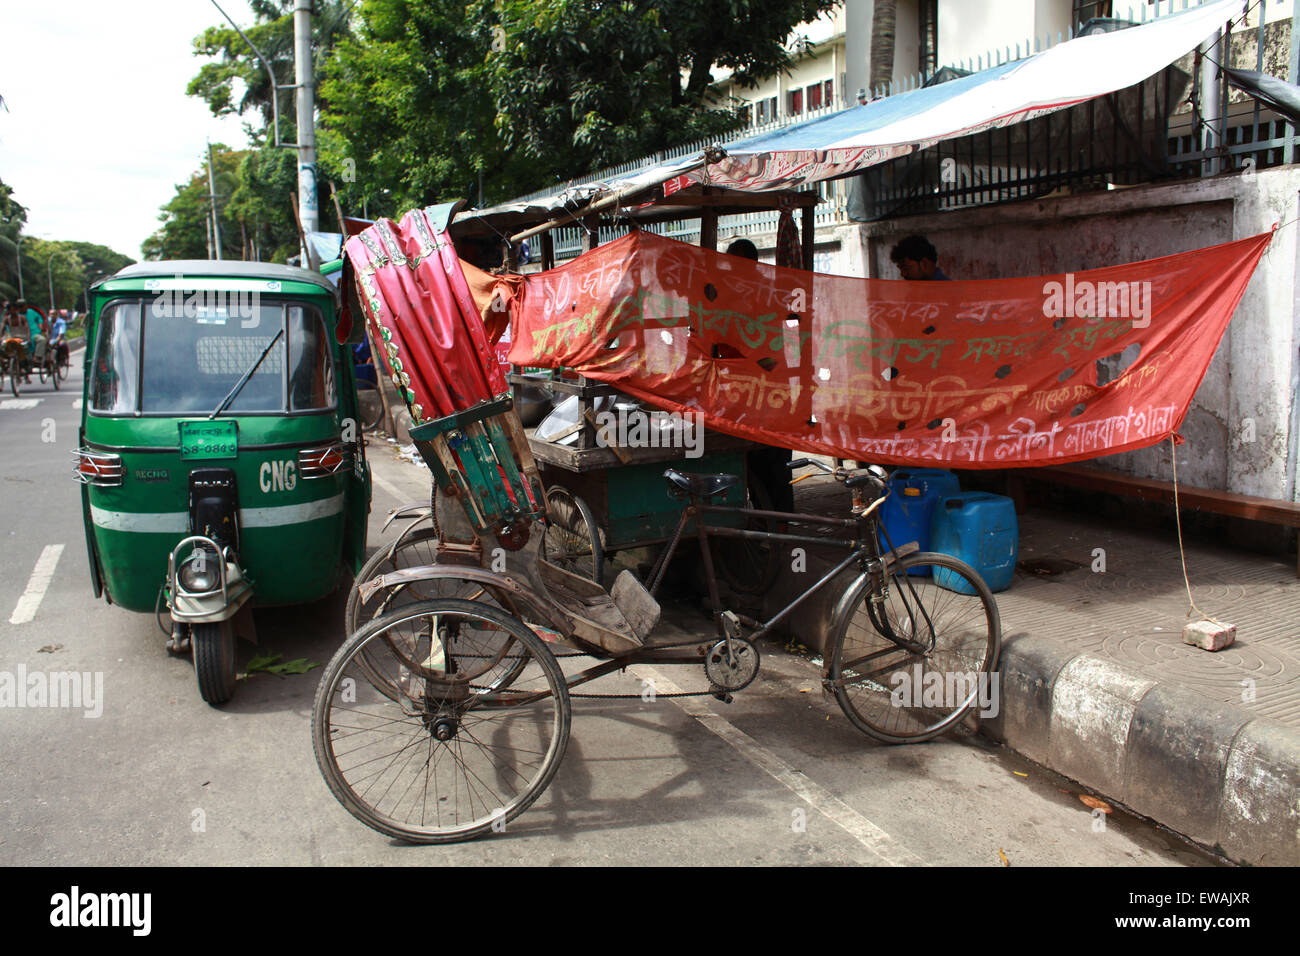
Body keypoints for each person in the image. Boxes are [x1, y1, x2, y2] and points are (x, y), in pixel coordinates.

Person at [723, 237, 796, 513]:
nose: (731, 269)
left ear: (750, 264)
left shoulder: (767, 292)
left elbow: (792, 321)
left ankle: (780, 521)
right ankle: (764, 518)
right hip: (744, 387)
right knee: (751, 458)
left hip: (770, 382)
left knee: (776, 459)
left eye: (736, 263)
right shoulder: (731, 294)